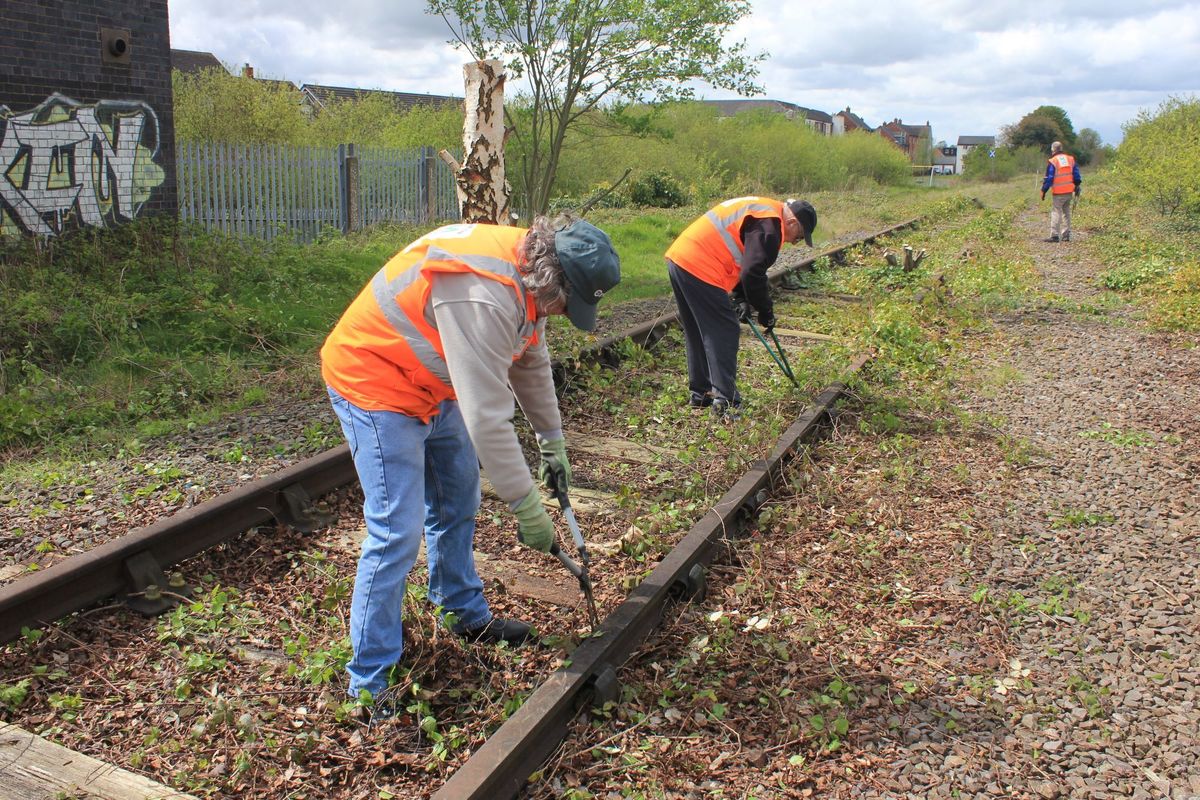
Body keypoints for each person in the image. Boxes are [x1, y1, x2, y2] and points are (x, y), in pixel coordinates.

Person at [320, 216, 620, 710]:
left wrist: (552, 441)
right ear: (553, 281)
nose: (566, 315)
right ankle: (368, 682)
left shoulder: (527, 277)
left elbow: (530, 359)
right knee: (397, 530)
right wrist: (527, 507)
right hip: (376, 380)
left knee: (459, 494)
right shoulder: (482, 293)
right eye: (570, 304)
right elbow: (487, 419)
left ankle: (460, 610)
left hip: (432, 381)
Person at [664, 196, 816, 420]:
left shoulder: (766, 212)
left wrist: (741, 297)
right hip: (700, 264)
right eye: (800, 236)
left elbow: (743, 258)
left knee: (698, 329)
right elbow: (752, 273)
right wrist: (765, 310)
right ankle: (726, 401)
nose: (796, 242)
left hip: (682, 257)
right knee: (725, 329)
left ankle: (701, 393)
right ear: (793, 222)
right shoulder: (771, 227)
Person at [1041, 141, 1082, 242]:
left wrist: (1044, 190)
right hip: (1069, 191)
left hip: (1058, 192)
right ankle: (1066, 234)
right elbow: (1076, 175)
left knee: (1056, 212)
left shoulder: (1053, 161)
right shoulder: (1070, 159)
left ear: (1053, 150)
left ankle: (1054, 235)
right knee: (1066, 212)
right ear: (1061, 148)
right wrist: (1077, 186)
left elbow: (1049, 178)